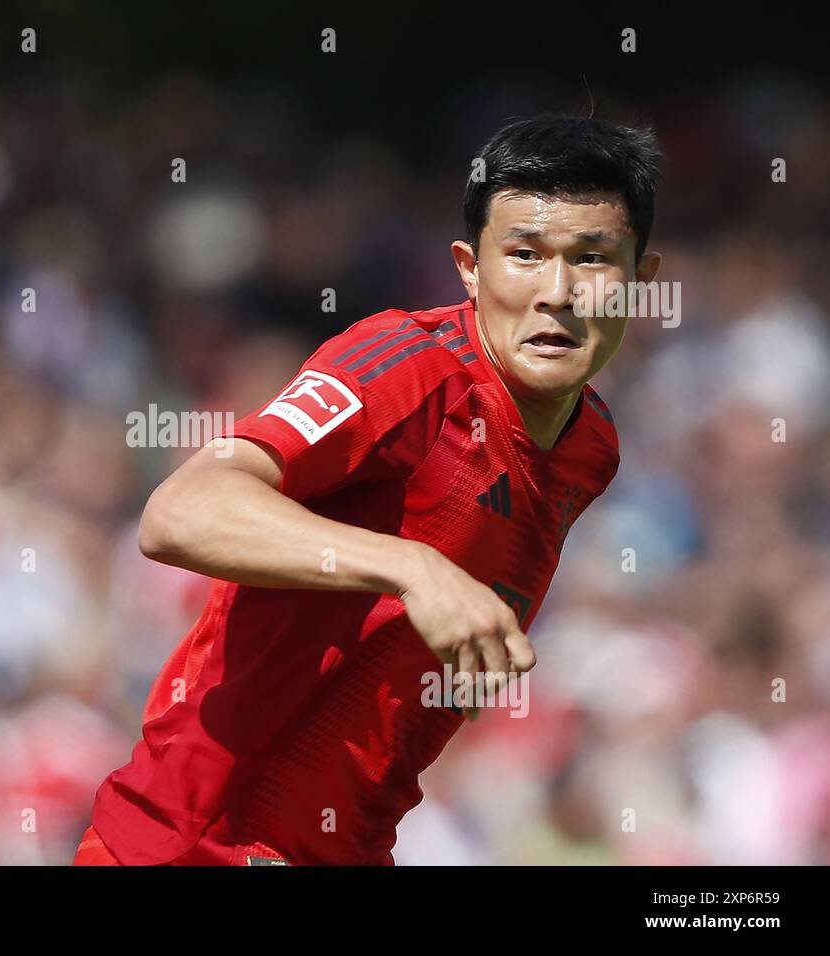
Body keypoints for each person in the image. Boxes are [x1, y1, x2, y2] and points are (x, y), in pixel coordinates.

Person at [76, 114, 664, 865]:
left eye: (592, 259)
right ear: (468, 268)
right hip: (191, 844)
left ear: (642, 283)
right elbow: (178, 513)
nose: (557, 291)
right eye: (523, 254)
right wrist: (411, 567)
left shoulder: (591, 448)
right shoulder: (408, 369)